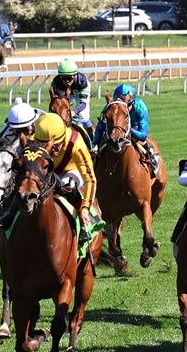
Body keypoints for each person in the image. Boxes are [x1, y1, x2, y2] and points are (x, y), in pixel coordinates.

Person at [32, 112, 100, 245]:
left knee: (66, 184)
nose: (52, 151)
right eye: (48, 147)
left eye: (56, 145)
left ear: (63, 138)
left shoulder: (76, 143)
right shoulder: (33, 141)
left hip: (71, 172)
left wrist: (86, 208)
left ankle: (83, 225)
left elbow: (90, 179)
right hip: (47, 172)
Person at [94, 82, 160, 175]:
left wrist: (128, 131)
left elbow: (143, 135)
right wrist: (96, 143)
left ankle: (152, 159)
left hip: (134, 129)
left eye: (128, 105)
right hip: (115, 129)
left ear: (132, 102)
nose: (125, 108)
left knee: (144, 143)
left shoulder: (140, 106)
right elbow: (101, 126)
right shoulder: (111, 107)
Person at [49, 58, 93, 137]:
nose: (67, 81)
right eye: (64, 78)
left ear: (75, 75)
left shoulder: (82, 82)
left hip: (79, 92)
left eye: (69, 78)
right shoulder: (56, 82)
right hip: (66, 94)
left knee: (84, 116)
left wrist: (74, 111)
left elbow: (83, 104)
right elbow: (55, 103)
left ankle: (92, 140)